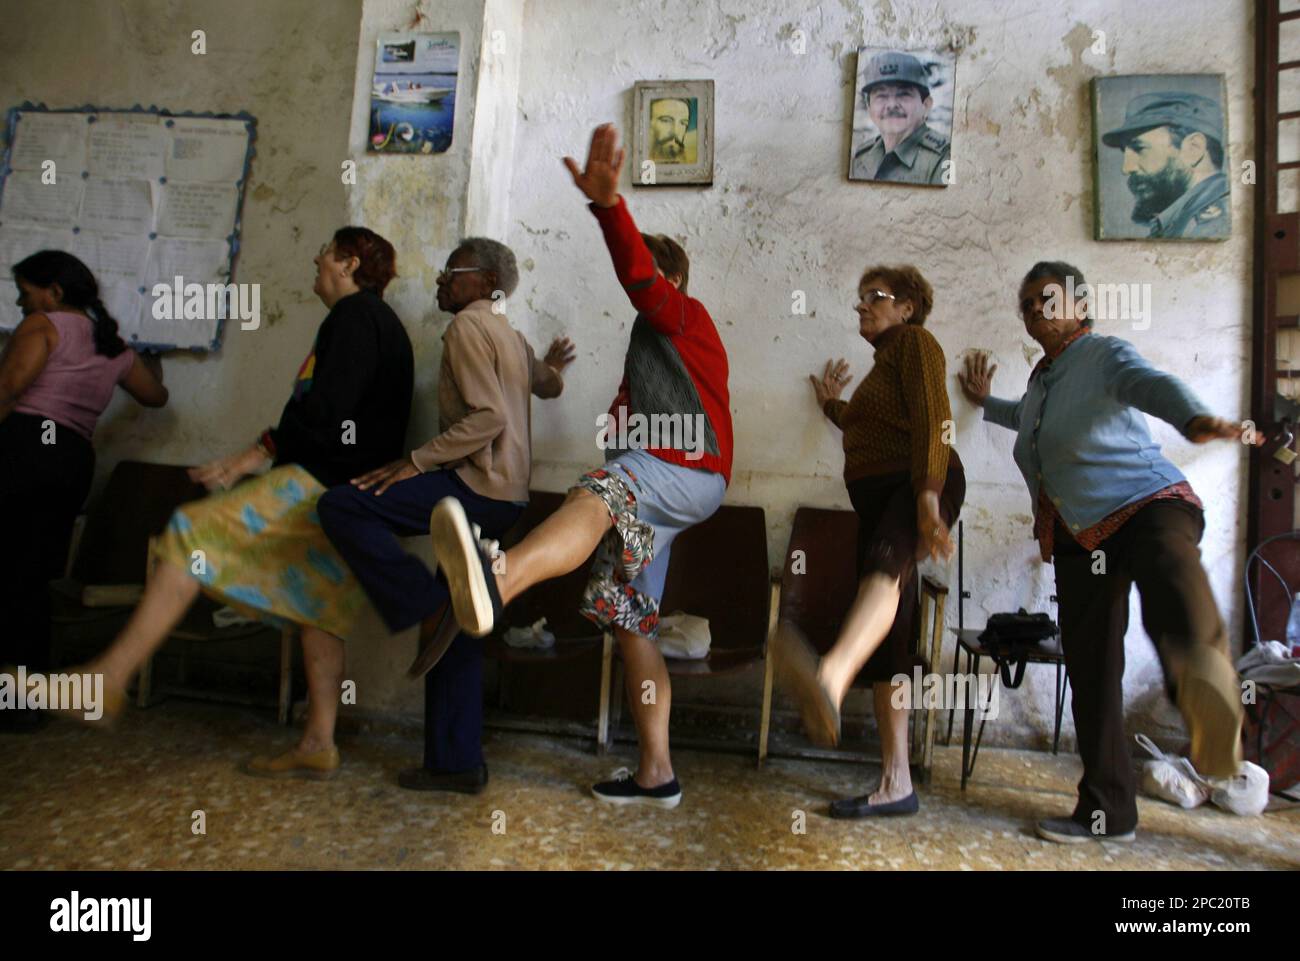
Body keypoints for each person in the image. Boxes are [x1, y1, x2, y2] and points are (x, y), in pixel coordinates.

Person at [426, 123, 732, 809]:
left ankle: (496, 582)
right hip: (662, 486)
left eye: (650, 276)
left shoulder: (685, 316)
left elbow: (643, 281)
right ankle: (658, 774)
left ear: (671, 279)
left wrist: (608, 208)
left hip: (685, 472)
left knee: (602, 488)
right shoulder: (649, 354)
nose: (636, 288)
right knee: (631, 622)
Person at [55, 227, 414, 780]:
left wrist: (254, 454)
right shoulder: (375, 323)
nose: (314, 260)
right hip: (350, 494)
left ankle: (106, 681)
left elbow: (329, 411)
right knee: (319, 606)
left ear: (346, 262)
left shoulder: (355, 317)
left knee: (189, 535)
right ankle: (318, 742)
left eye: (323, 252)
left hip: (319, 483)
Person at [958, 259, 1251, 843]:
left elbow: (1150, 384)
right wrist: (986, 402)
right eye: (1028, 305)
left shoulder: (1103, 354)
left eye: (1048, 299)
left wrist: (1194, 418)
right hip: (1079, 533)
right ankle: (1107, 811)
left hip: (1147, 503)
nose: (1036, 311)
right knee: (1092, 668)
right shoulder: (1043, 384)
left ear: (1079, 306)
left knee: (1170, 570)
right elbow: (1026, 419)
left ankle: (1203, 682)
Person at [316, 237, 573, 794]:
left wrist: (414, 462)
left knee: (340, 504)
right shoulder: (511, 334)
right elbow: (546, 384)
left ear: (483, 282)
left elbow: (487, 419)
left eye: (451, 272)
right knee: (458, 634)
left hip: (473, 489)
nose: (439, 279)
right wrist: (551, 365)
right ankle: (454, 765)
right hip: (510, 500)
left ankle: (424, 601)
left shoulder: (465, 330)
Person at [774, 265, 963, 818]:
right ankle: (896, 783)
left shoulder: (916, 343)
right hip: (886, 501)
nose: (861, 306)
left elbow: (935, 419)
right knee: (889, 644)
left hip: (918, 484)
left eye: (874, 297)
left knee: (883, 571)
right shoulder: (881, 370)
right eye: (858, 299)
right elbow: (867, 426)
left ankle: (830, 676)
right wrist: (832, 406)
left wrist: (928, 502)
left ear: (907, 307)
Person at [0, 251, 168, 731]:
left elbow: (9, 389)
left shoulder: (42, 326)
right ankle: (21, 706)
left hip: (23, 450)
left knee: (6, 571)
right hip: (70, 460)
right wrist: (151, 362)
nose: (20, 304)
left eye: (26, 294)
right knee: (31, 579)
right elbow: (156, 397)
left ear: (53, 292)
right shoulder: (113, 347)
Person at [1101, 91, 1229, 238]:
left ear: (1194, 148)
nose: (1126, 168)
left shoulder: (1212, 228)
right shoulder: (1181, 222)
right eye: (1125, 152)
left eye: (1139, 148)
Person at [850, 50, 949, 185]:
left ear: (925, 105)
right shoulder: (862, 156)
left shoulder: (945, 157)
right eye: (881, 96)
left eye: (903, 94)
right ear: (869, 108)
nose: (891, 105)